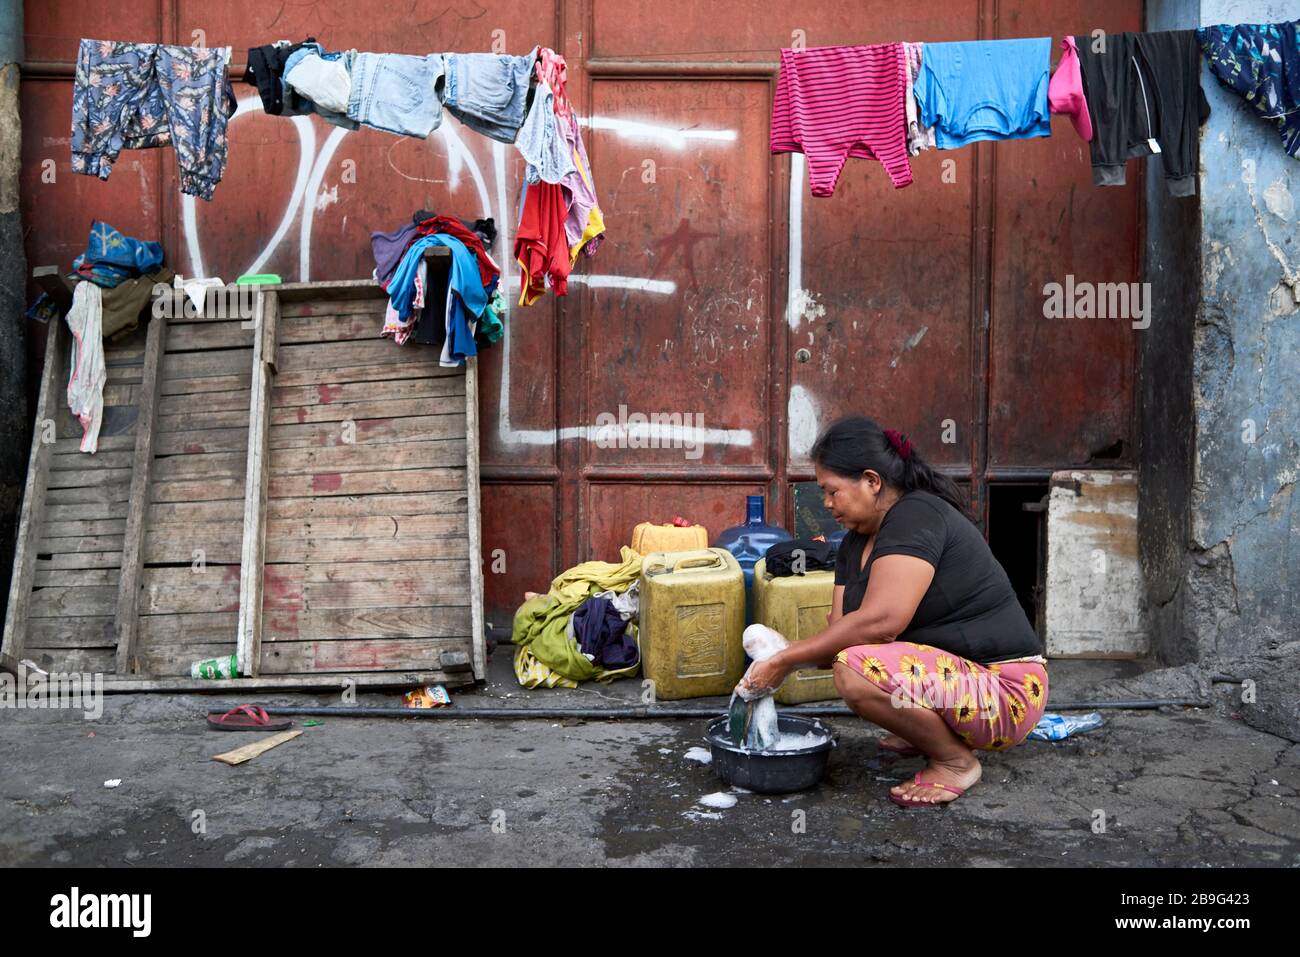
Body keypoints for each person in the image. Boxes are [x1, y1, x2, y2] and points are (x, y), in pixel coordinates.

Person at [740, 416, 1048, 807]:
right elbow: (843, 633)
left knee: (855, 672)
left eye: (832, 491)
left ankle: (955, 762)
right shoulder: (854, 543)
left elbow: (883, 623)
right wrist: (782, 653)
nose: (827, 503)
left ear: (871, 481)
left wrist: (786, 659)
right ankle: (926, 729)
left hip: (1007, 693)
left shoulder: (916, 514)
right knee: (849, 660)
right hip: (960, 683)